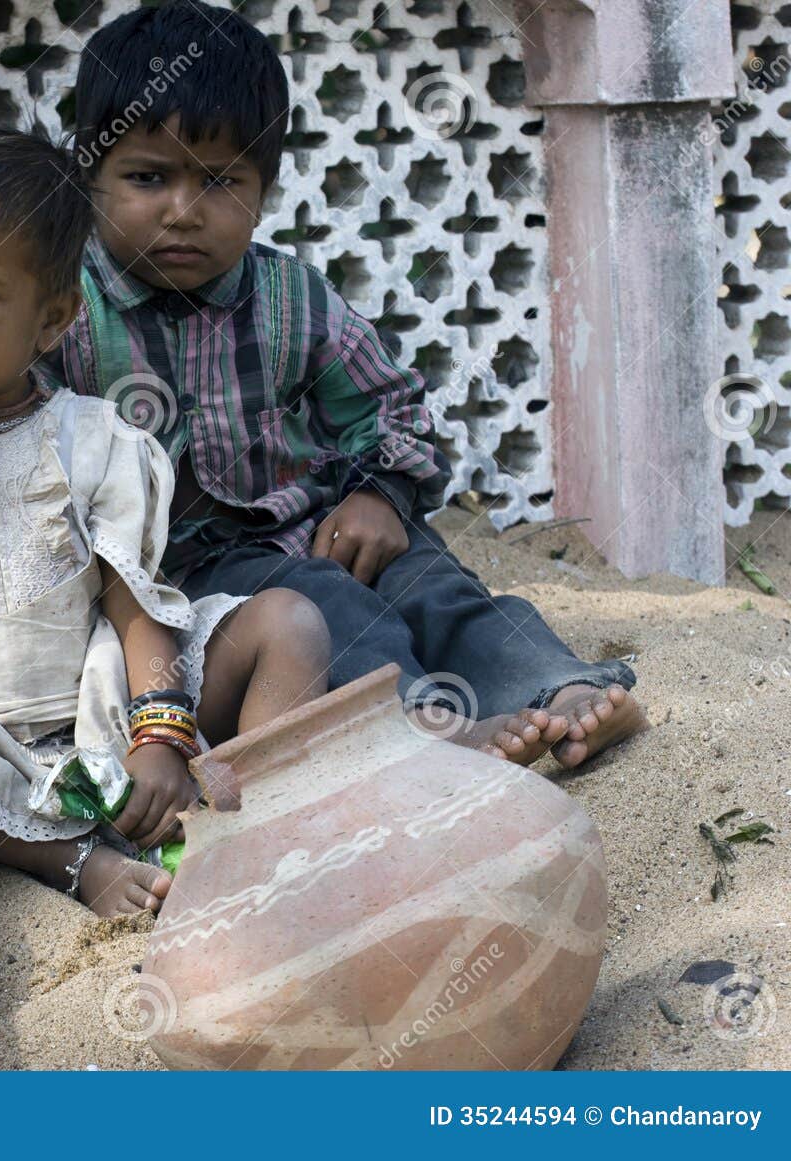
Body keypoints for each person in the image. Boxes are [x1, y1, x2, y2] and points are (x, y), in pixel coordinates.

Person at [48, 0, 647, 768]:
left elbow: (394, 411)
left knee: (434, 581)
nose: (183, 211)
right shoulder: (62, 311)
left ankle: (556, 688)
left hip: (328, 528)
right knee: (332, 610)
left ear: (265, 187)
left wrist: (381, 495)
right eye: (147, 178)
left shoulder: (291, 299)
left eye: (221, 182)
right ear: (88, 174)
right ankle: (426, 726)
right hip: (195, 589)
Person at [0, 122, 331, 919]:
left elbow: (133, 601)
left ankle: (252, 833)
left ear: (52, 322)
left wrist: (160, 732)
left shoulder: (94, 437)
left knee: (290, 623)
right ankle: (68, 856)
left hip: (101, 714)